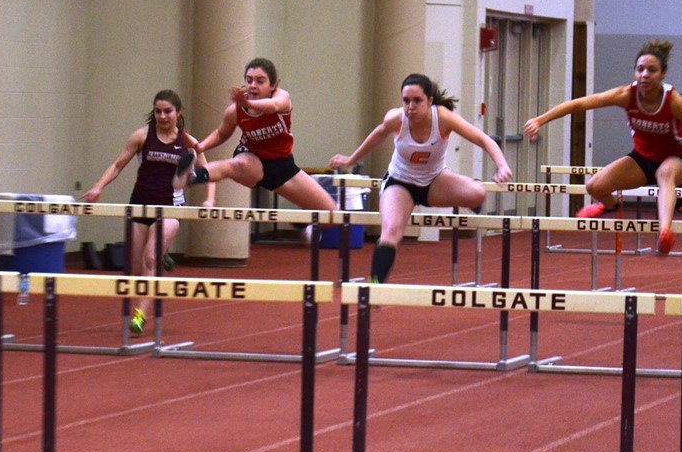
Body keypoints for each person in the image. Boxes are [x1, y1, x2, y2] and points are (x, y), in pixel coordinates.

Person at [523, 39, 682, 256]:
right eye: (640, 69)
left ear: (663, 74)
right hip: (643, 159)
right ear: (634, 72)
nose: (645, 75)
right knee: (594, 187)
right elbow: (579, 104)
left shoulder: (674, 102)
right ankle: (611, 205)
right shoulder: (625, 95)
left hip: (677, 158)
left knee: (665, 173)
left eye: (652, 70)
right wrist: (540, 120)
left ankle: (665, 232)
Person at [328, 72, 513, 284]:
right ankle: (375, 283)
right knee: (391, 231)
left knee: (478, 193)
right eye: (406, 101)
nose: (410, 107)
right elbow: (377, 136)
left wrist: (501, 164)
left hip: (434, 181)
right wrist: (350, 159)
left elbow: (482, 139)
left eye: (417, 101)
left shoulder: (443, 118)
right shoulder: (395, 119)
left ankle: (472, 198)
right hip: (400, 183)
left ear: (430, 101)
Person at [81, 90, 214, 334]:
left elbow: (209, 172)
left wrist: (210, 200)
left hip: (171, 208)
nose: (162, 116)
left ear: (178, 113)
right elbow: (118, 164)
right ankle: (162, 252)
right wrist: (98, 187)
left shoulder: (188, 143)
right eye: (158, 111)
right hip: (141, 203)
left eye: (167, 111)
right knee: (133, 267)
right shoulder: (142, 136)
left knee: (150, 259)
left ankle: (140, 315)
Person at [173, 58, 336, 219]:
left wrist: (249, 104)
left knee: (332, 215)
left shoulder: (282, 97)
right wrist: (200, 147)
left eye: (260, 81)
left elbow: (274, 106)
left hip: (282, 166)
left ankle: (302, 224)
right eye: (249, 80)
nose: (253, 86)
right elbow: (222, 133)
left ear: (273, 85)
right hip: (252, 158)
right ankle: (191, 177)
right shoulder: (235, 110)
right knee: (235, 166)